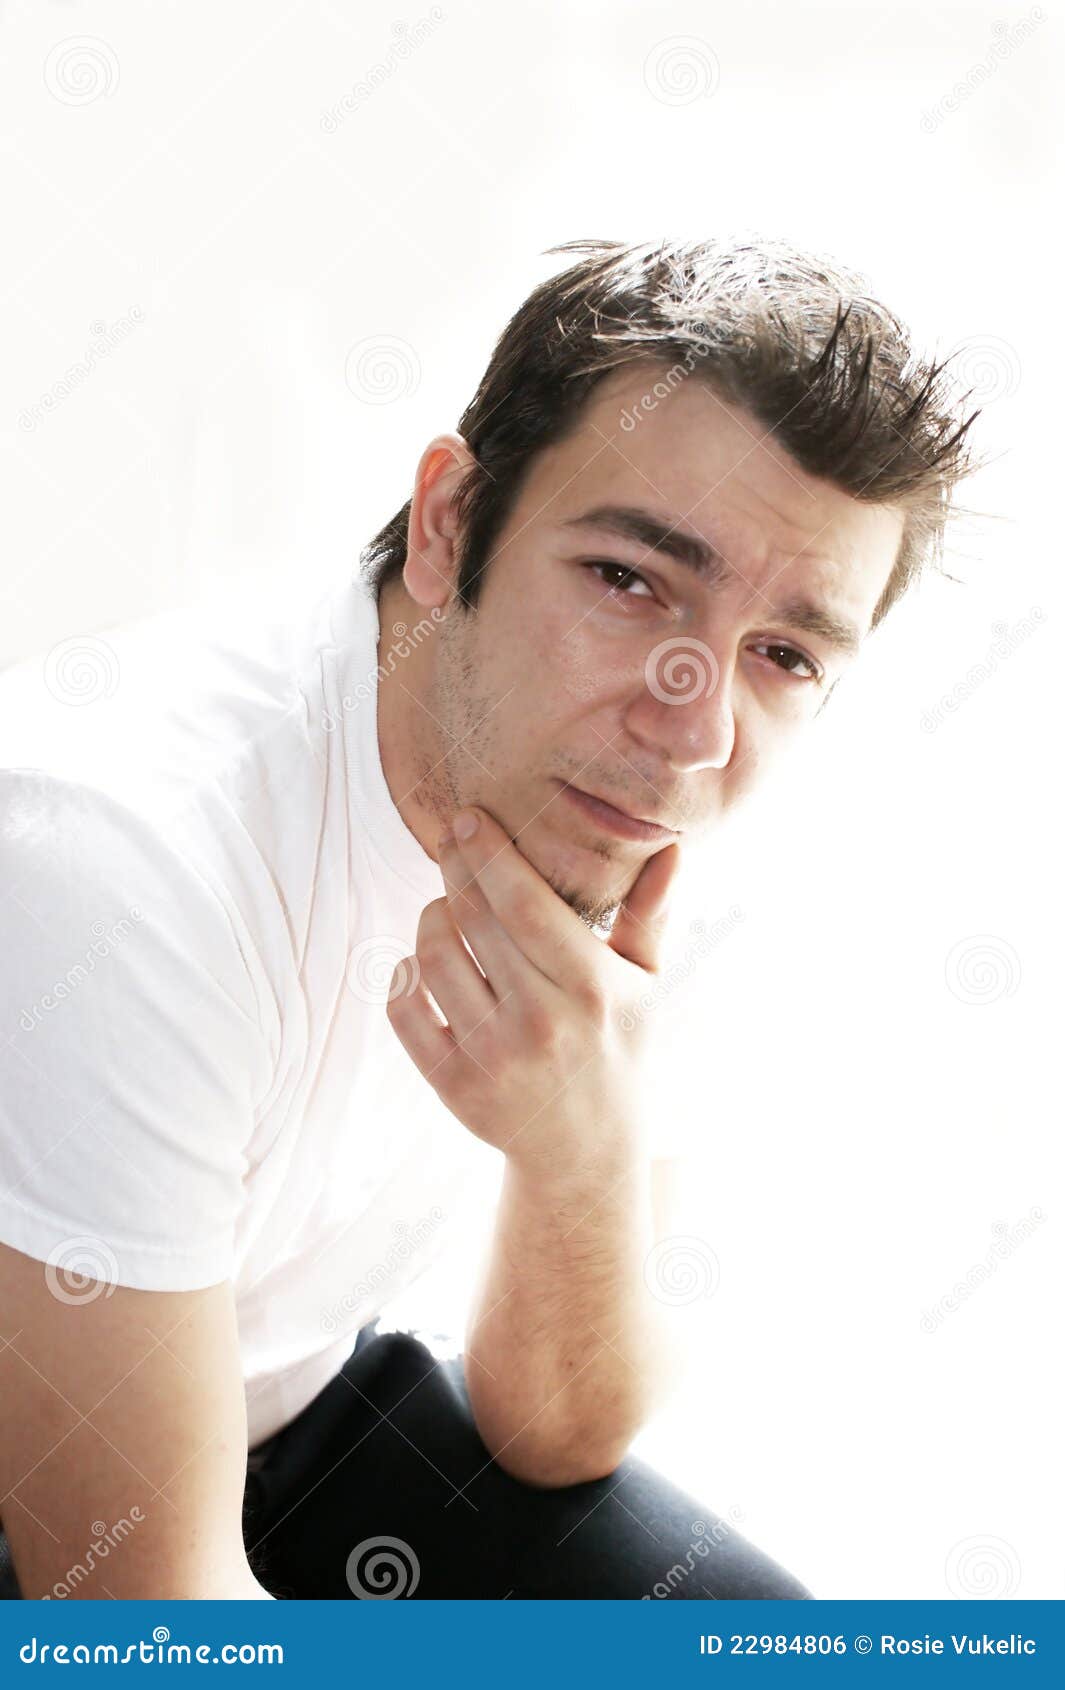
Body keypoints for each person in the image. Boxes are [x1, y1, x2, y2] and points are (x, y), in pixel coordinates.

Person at [0, 237, 981, 1600]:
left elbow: (554, 1430)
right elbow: (136, 1622)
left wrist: (578, 1160)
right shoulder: (122, 861)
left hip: (266, 1401)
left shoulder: (591, 798)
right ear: (451, 520)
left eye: (782, 654)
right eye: (627, 580)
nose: (693, 727)